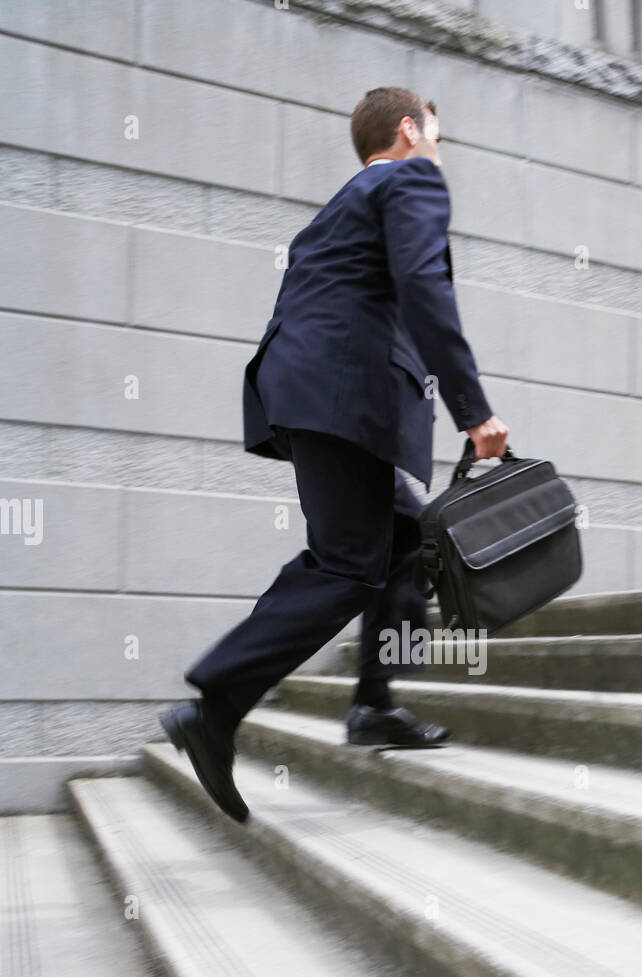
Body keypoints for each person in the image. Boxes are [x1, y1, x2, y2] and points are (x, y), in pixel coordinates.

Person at [160, 86, 509, 822]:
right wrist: (473, 412)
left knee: (402, 537)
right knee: (349, 560)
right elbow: (422, 287)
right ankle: (216, 707)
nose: (441, 152)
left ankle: (374, 705)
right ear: (409, 131)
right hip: (343, 396)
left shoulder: (343, 203)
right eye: (437, 135)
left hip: (306, 393)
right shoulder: (412, 177)